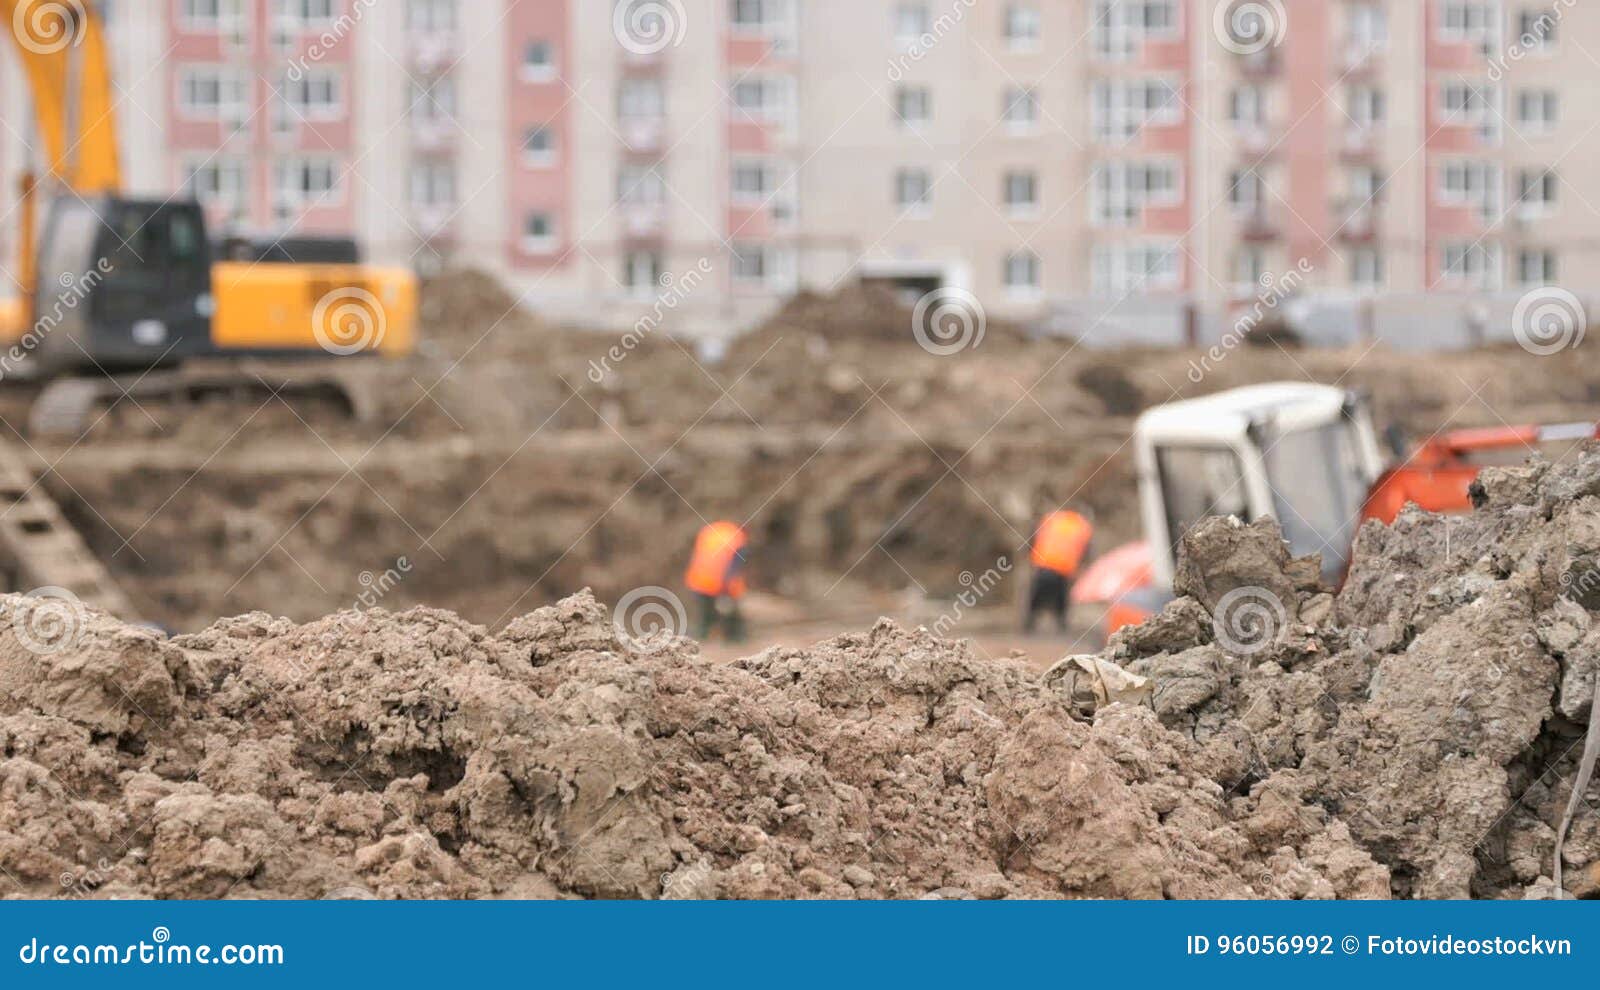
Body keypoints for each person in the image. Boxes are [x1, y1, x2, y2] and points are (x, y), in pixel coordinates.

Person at [1025, 509, 1093, 633]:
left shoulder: (1051, 519)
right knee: (1061, 599)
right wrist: (1081, 566)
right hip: (1064, 567)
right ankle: (1061, 625)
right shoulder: (1082, 526)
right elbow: (1085, 549)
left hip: (1044, 563)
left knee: (1036, 597)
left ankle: (1029, 625)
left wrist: (1031, 556)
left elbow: (1034, 537)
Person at [685, 520, 750, 642]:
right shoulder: (738, 539)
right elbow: (734, 566)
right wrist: (727, 589)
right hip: (719, 583)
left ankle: (699, 638)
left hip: (698, 581)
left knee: (705, 615)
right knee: (730, 614)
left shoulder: (710, 532)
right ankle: (735, 638)